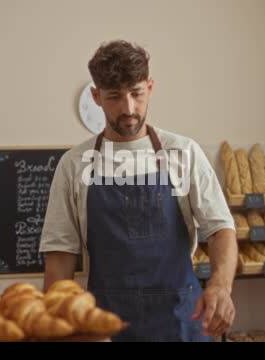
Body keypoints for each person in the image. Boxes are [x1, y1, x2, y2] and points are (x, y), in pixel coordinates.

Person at [39, 40, 237, 341]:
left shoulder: (183, 152)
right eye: (115, 97)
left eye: (136, 93)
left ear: (150, 87)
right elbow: (60, 254)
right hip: (104, 324)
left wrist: (221, 286)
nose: (128, 108)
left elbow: (221, 228)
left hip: (180, 321)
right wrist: (55, 323)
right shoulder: (74, 164)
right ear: (96, 96)